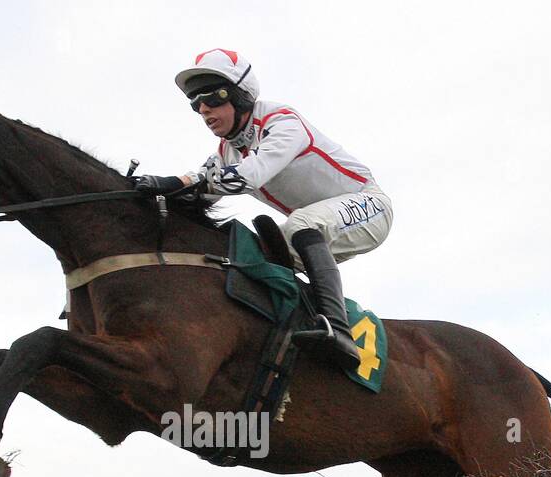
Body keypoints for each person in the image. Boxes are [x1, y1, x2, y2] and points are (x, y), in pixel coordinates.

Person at [135, 49, 393, 370]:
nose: (203, 109)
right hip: (318, 225)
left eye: (212, 99)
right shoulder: (227, 150)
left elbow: (246, 176)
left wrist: (171, 183)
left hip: (370, 205)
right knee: (256, 259)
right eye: (195, 103)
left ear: (240, 96)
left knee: (300, 224)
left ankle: (338, 330)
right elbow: (199, 191)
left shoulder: (281, 120)